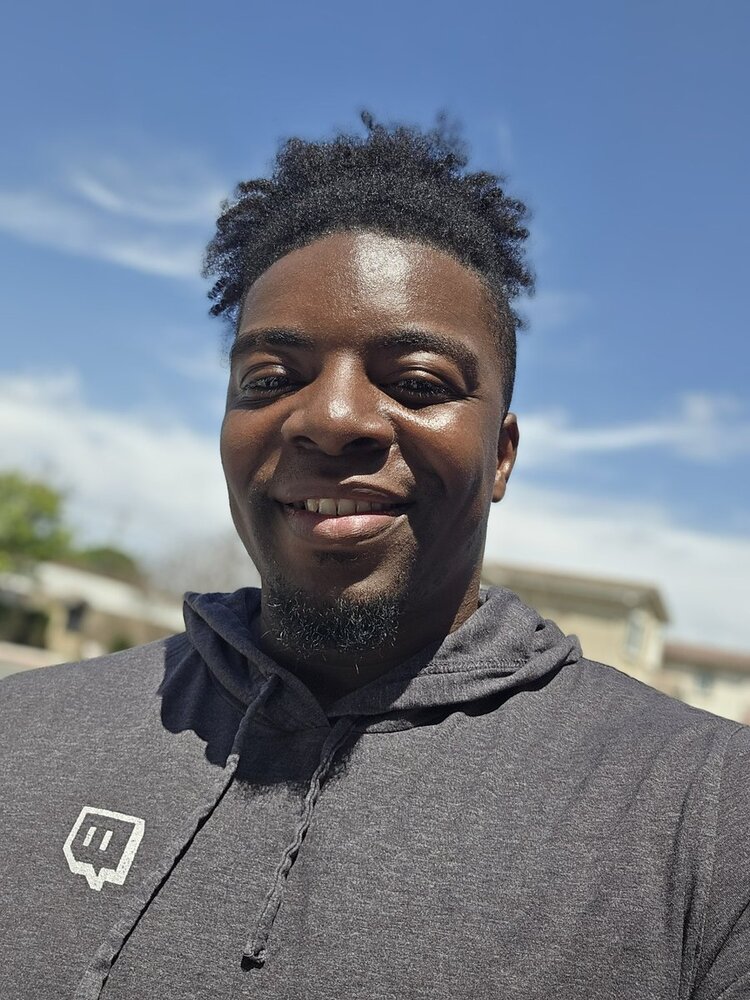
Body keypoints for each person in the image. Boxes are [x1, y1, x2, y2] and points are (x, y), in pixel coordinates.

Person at [1, 114, 748, 1000]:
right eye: (271, 380)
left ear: (501, 456)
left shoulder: (707, 815)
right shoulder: (22, 736)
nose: (332, 419)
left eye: (418, 383)